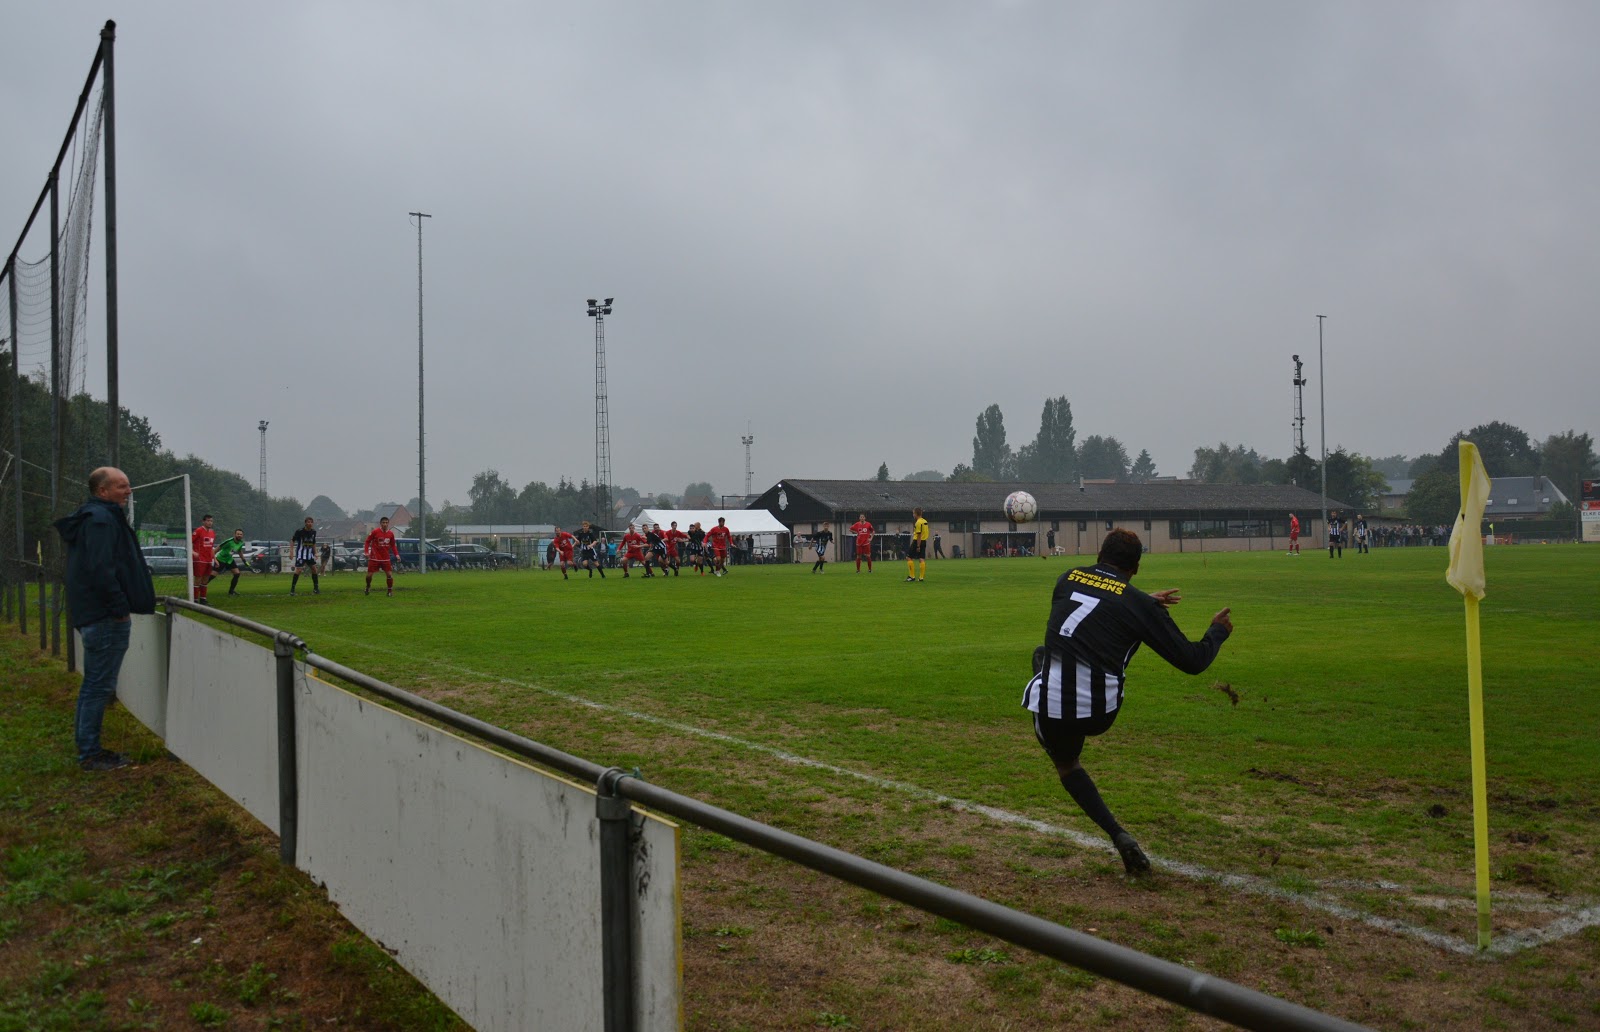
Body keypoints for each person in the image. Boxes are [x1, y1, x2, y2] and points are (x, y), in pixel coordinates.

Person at [1023, 528, 1232, 874]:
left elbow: (1093, 606)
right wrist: (1217, 632)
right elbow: (1193, 661)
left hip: (1052, 706)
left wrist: (1139, 602)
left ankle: (1117, 833)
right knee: (1059, 661)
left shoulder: (1066, 578)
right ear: (1135, 567)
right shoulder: (1137, 604)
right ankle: (1122, 839)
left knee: (1066, 760)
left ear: (1099, 554)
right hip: (1099, 713)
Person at [54, 467, 157, 771]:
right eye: (122, 486)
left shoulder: (98, 517)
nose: (129, 491)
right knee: (98, 686)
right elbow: (101, 570)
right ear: (103, 491)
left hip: (97, 614)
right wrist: (119, 607)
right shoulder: (100, 520)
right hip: (104, 617)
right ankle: (90, 753)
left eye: (129, 485)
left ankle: (88, 747)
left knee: (94, 685)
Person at [364, 516, 399, 596]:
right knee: (369, 576)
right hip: (374, 557)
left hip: (385, 558)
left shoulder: (391, 534)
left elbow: (393, 545)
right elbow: (367, 541)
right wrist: (366, 552)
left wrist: (397, 555)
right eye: (383, 522)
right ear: (380, 523)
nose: (385, 524)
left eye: (386, 523)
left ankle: (389, 591)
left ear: (388, 524)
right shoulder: (375, 532)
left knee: (389, 575)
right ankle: (368, 586)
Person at [290, 517, 321, 595]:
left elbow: (313, 543)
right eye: (308, 522)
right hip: (301, 554)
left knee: (314, 569)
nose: (310, 523)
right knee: (299, 570)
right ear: (305, 523)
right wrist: (291, 551)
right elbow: (292, 540)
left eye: (311, 522)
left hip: (310, 554)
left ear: (312, 523)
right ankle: (292, 590)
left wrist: (315, 553)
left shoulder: (314, 532)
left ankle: (316, 589)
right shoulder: (300, 531)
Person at [190, 514, 218, 604]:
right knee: (198, 579)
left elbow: (211, 547)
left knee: (206, 579)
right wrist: (193, 552)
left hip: (209, 559)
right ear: (203, 521)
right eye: (208, 521)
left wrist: (215, 559)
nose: (210, 522)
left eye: (211, 521)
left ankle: (203, 599)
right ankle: (194, 599)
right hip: (199, 559)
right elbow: (189, 541)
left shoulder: (212, 533)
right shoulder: (198, 531)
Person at [215, 529, 250, 595]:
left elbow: (239, 551)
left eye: (241, 534)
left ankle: (231, 591)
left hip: (229, 560)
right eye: (238, 534)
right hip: (221, 559)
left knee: (237, 573)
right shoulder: (229, 541)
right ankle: (201, 587)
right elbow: (218, 548)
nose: (239, 535)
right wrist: (214, 558)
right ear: (234, 535)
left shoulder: (241, 543)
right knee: (212, 575)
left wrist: (244, 561)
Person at [905, 507, 929, 582]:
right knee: (921, 558)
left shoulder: (918, 522)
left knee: (908, 557)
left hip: (917, 541)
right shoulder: (925, 521)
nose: (913, 515)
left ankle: (912, 576)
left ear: (916, 514)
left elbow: (918, 535)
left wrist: (918, 546)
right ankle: (921, 578)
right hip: (924, 541)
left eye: (913, 513)